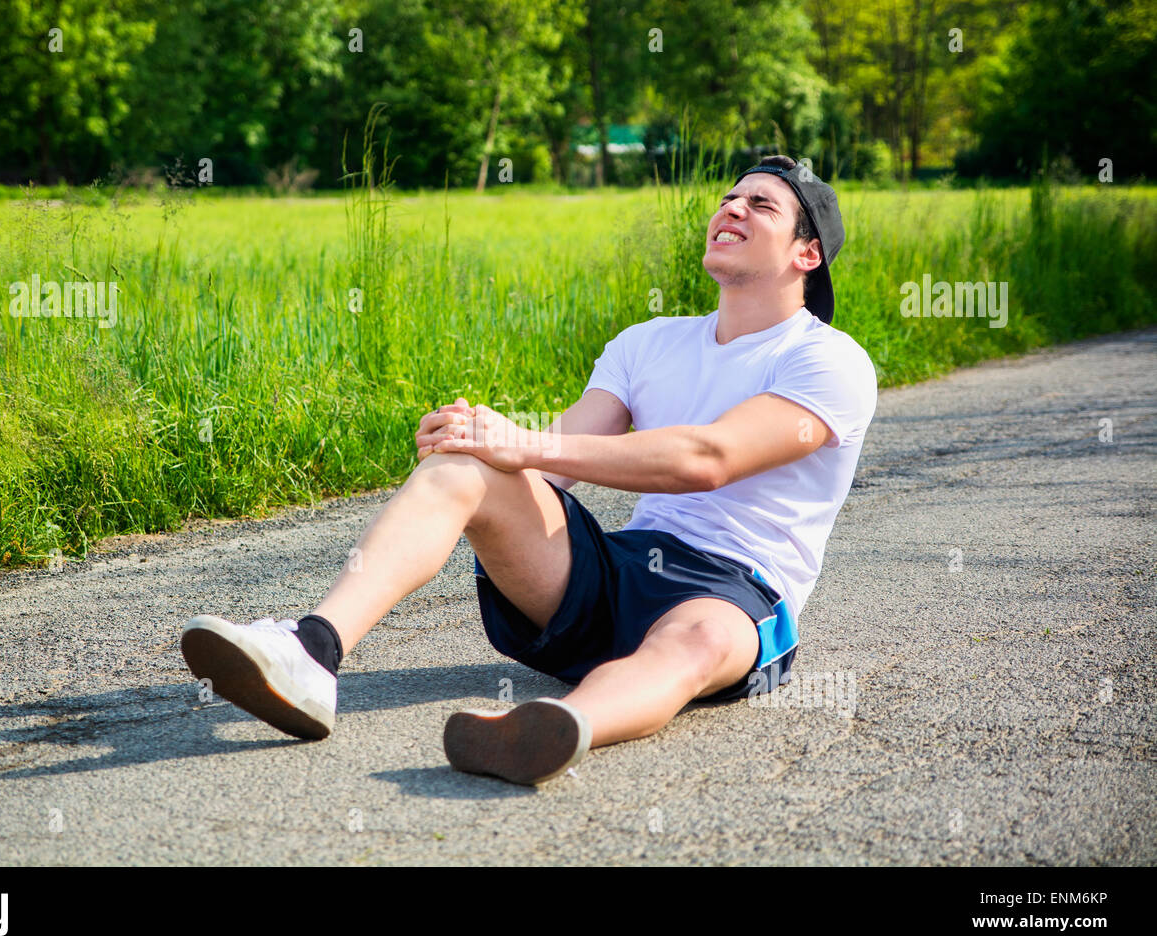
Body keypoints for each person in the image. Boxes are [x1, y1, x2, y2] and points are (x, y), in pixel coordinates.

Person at [180, 154, 877, 786]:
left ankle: (561, 727)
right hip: (614, 573)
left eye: (762, 205)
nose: (732, 209)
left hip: (735, 590)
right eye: (729, 197)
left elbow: (709, 459)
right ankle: (312, 650)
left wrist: (521, 443)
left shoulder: (829, 361)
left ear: (807, 253)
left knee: (693, 641)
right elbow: (557, 461)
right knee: (467, 467)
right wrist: (479, 444)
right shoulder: (648, 344)